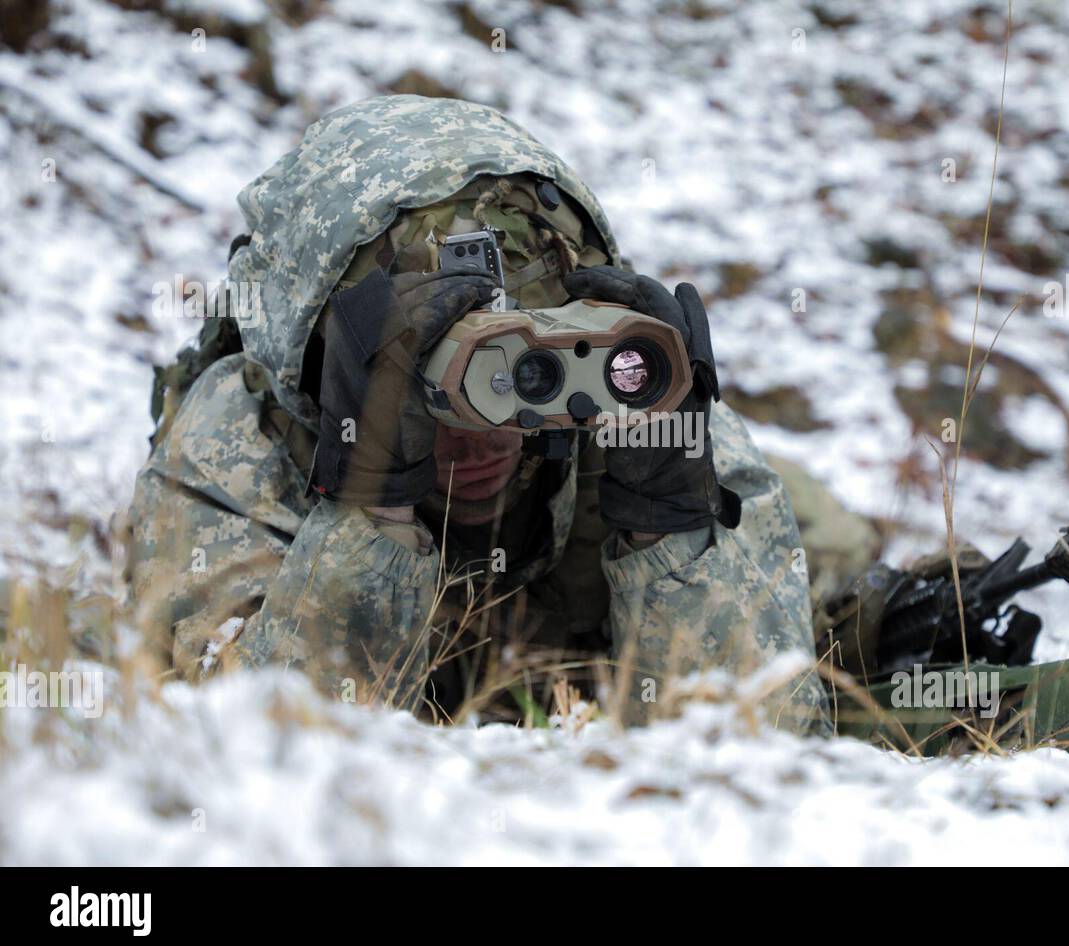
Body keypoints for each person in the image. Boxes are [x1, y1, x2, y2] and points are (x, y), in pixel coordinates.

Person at [126, 95, 879, 736]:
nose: (489, 430)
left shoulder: (639, 427)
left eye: (528, 374)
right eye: (440, 381)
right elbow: (257, 768)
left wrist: (670, 526)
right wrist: (372, 499)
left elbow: (763, 769)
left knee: (851, 574)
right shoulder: (239, 444)